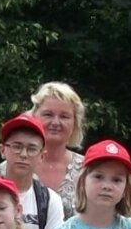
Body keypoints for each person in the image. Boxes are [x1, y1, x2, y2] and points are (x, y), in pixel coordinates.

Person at [0, 113, 70, 229]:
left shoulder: (50, 201)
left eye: (31, 149)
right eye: (17, 147)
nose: (23, 154)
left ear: (41, 156)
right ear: (3, 150)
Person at [8, 81, 88, 209]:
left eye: (64, 116)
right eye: (48, 115)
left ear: (75, 123)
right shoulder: (10, 166)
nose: (56, 122)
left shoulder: (88, 170)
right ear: (34, 117)